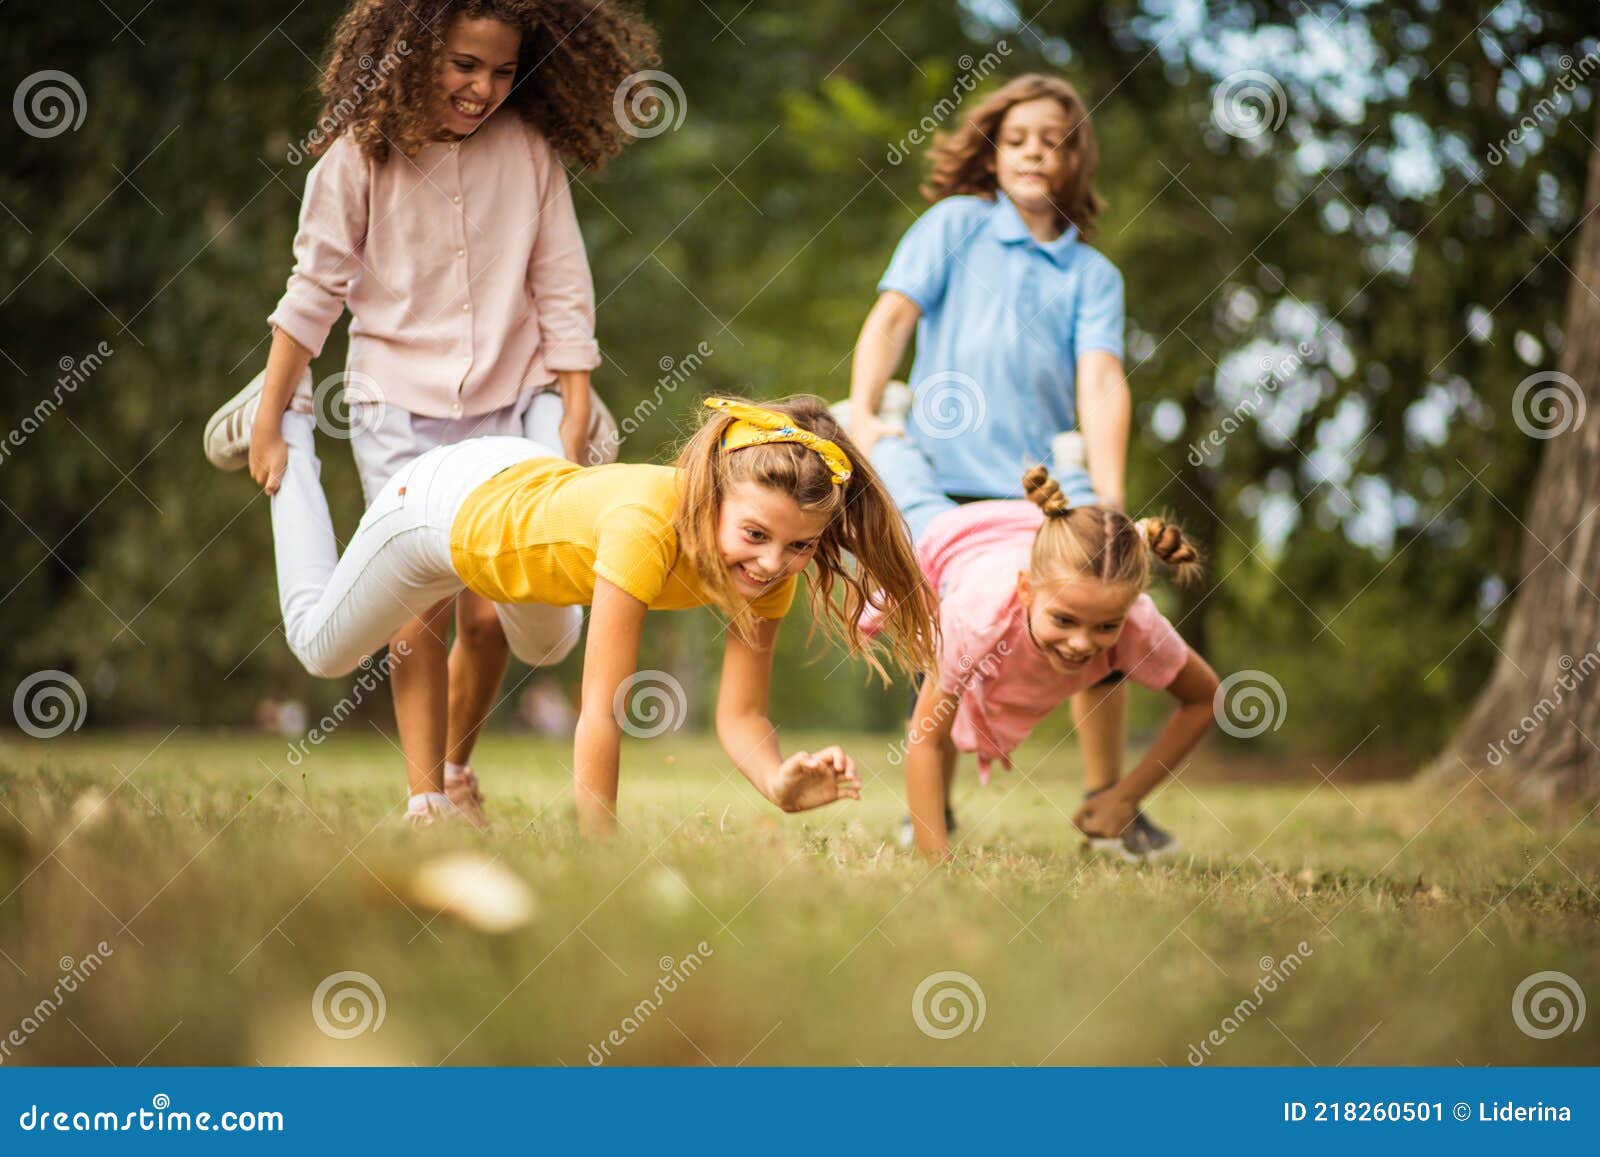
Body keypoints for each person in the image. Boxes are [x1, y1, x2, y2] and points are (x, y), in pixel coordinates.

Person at [203, 0, 657, 825]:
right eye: (463, 65)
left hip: (515, 400)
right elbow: (314, 292)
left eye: (502, 71)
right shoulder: (356, 155)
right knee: (419, 613)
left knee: (508, 614)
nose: (483, 88)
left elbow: (562, 282)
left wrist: (576, 408)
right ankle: (426, 801)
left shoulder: (528, 152)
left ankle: (457, 767)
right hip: (396, 411)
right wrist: (271, 422)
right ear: (412, 54)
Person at [216, 394, 937, 833]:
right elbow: (601, 710)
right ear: (711, 494)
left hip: (519, 478)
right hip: (438, 510)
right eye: (756, 535)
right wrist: (601, 854)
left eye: (799, 545)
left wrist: (778, 781)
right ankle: (291, 428)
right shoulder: (645, 527)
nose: (775, 562)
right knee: (319, 643)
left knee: (546, 646)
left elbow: (740, 715)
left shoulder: (768, 567)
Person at [844, 72, 1137, 840]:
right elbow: (890, 320)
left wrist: (1108, 491)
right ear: (992, 153)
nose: (1034, 152)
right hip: (941, 480)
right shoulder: (954, 226)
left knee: (1103, 627)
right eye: (1017, 139)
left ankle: (1111, 810)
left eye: (1052, 140)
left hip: (1044, 492)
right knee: (943, 645)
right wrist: (867, 418)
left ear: (1077, 160)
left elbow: (1102, 380)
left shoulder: (1092, 275)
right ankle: (928, 812)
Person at [894, 467, 1220, 861]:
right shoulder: (976, 617)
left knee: (1085, 501)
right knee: (901, 481)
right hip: (952, 536)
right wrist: (936, 862)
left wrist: (1125, 796)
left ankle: (1071, 458)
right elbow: (926, 739)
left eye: (1105, 626)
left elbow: (1204, 699)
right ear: (1026, 591)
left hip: (1027, 536)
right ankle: (879, 429)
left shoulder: (1137, 623)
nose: (1081, 643)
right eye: (1064, 620)